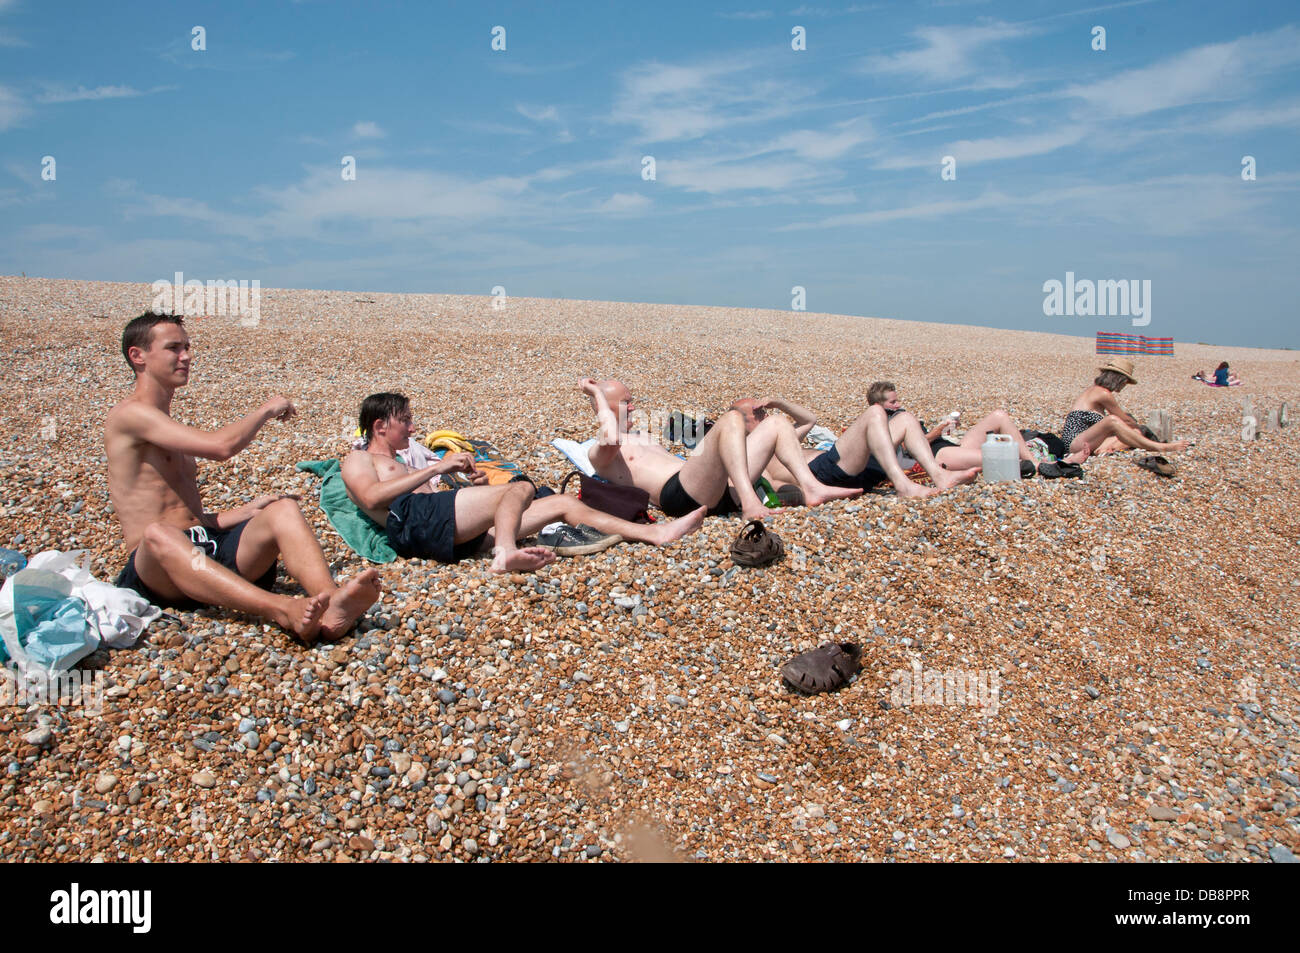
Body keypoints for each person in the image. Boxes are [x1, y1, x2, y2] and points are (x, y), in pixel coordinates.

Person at [105, 312, 381, 645]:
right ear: (138, 356)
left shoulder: (166, 425)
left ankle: (331, 602)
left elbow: (191, 517)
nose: (187, 356)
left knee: (281, 510)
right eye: (173, 348)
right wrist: (267, 409)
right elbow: (221, 447)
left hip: (204, 551)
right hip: (159, 568)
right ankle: (281, 608)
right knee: (158, 534)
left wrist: (243, 512)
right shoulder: (129, 416)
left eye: (188, 347)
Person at [341, 392, 705, 572]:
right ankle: (504, 553)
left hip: (444, 529)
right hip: (413, 525)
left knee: (563, 504)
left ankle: (655, 534)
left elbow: (440, 506)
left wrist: (479, 490)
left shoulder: (405, 461)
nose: (413, 428)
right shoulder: (359, 459)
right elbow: (372, 498)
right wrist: (436, 470)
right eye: (405, 421)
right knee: (522, 486)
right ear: (379, 427)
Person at [582, 379, 861, 522]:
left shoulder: (641, 434)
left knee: (775, 423)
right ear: (604, 408)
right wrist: (596, 395)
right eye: (626, 402)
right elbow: (610, 434)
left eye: (633, 402)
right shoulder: (600, 452)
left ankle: (811, 487)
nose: (633, 407)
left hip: (717, 487)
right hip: (680, 497)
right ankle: (751, 503)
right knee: (730, 420)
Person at [730, 390, 980, 500]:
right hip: (825, 474)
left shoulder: (779, 436)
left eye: (764, 411)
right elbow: (760, 482)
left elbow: (809, 420)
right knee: (874, 413)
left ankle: (940, 476)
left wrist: (778, 402)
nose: (765, 415)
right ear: (742, 424)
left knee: (904, 418)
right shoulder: (748, 452)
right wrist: (797, 493)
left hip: (854, 467)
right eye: (758, 413)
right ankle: (904, 487)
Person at [867, 385, 1090, 470]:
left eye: (897, 400)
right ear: (879, 405)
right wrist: (936, 432)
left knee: (999, 416)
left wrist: (945, 429)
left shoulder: (899, 414)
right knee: (1004, 454)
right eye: (893, 402)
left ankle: (1034, 461)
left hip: (948, 445)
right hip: (937, 454)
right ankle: (1056, 464)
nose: (899, 405)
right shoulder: (886, 422)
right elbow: (908, 450)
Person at [1061, 358, 1189, 457]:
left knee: (1134, 433)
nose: (1124, 386)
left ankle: (1104, 449)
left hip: (1084, 442)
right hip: (1074, 444)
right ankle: (1159, 447)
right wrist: (1136, 425)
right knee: (1113, 420)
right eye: (1126, 382)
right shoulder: (1103, 393)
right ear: (1120, 380)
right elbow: (1123, 419)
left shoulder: (1093, 390)